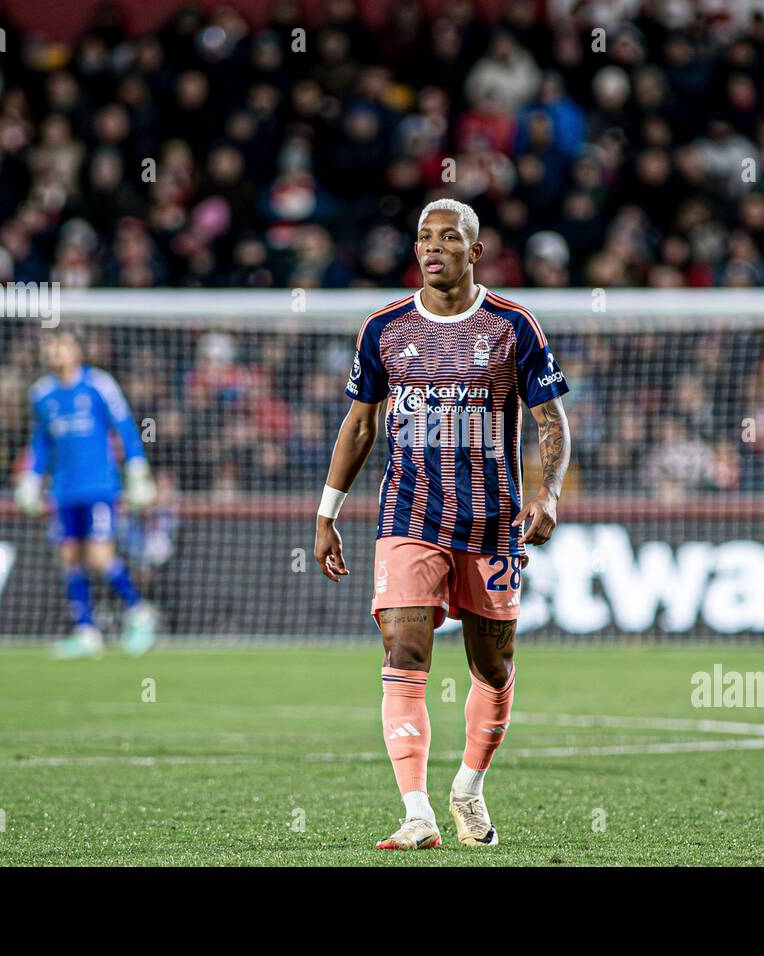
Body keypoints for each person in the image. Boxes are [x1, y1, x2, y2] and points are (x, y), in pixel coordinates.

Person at [313, 199, 572, 850]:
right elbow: (360, 424)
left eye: (449, 237)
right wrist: (327, 512)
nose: (433, 247)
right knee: (403, 651)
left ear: (474, 251)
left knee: (494, 666)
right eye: (424, 237)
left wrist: (548, 495)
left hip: (491, 525)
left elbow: (551, 420)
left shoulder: (514, 325)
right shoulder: (384, 328)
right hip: (409, 517)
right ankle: (416, 812)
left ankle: (468, 788)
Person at [14, 330, 158, 658]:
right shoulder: (42, 394)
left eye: (61, 346)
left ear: (77, 351)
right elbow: (41, 442)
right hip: (64, 489)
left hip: (99, 486)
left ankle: (139, 611)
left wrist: (137, 469)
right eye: (50, 348)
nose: (55, 353)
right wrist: (31, 478)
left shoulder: (99, 385)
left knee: (99, 556)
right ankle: (86, 631)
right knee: (69, 556)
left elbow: (125, 428)